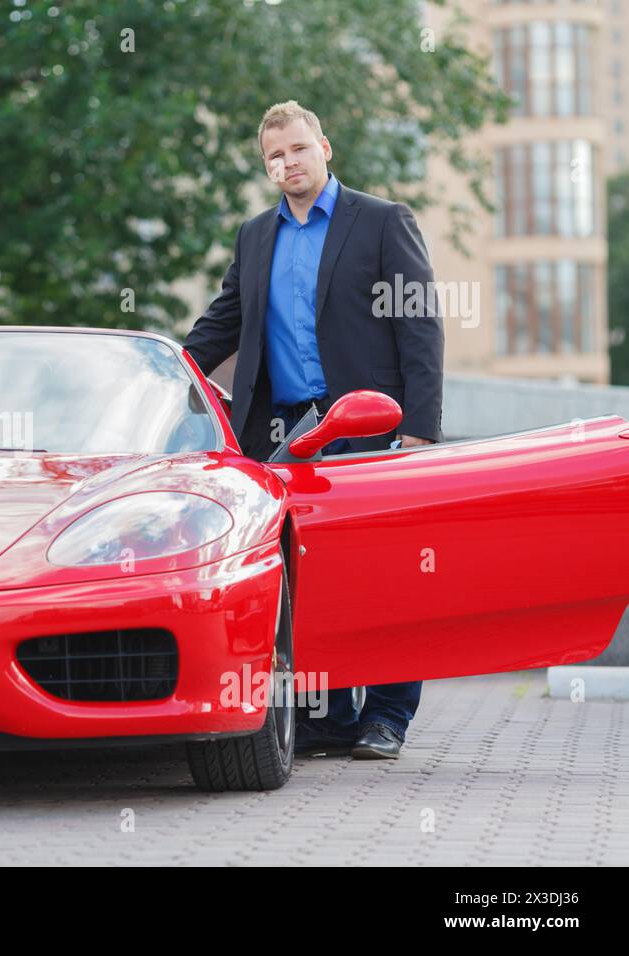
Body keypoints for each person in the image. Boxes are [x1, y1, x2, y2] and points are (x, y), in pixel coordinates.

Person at [182, 102, 444, 759]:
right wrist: (164, 372)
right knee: (302, 579)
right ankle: (327, 716)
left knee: (383, 576)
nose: (288, 163)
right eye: (275, 156)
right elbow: (220, 325)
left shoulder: (382, 222)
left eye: (298, 149)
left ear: (325, 147)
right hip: (285, 433)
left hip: (370, 423)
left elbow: (420, 326)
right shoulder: (254, 237)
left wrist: (418, 430)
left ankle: (386, 717)